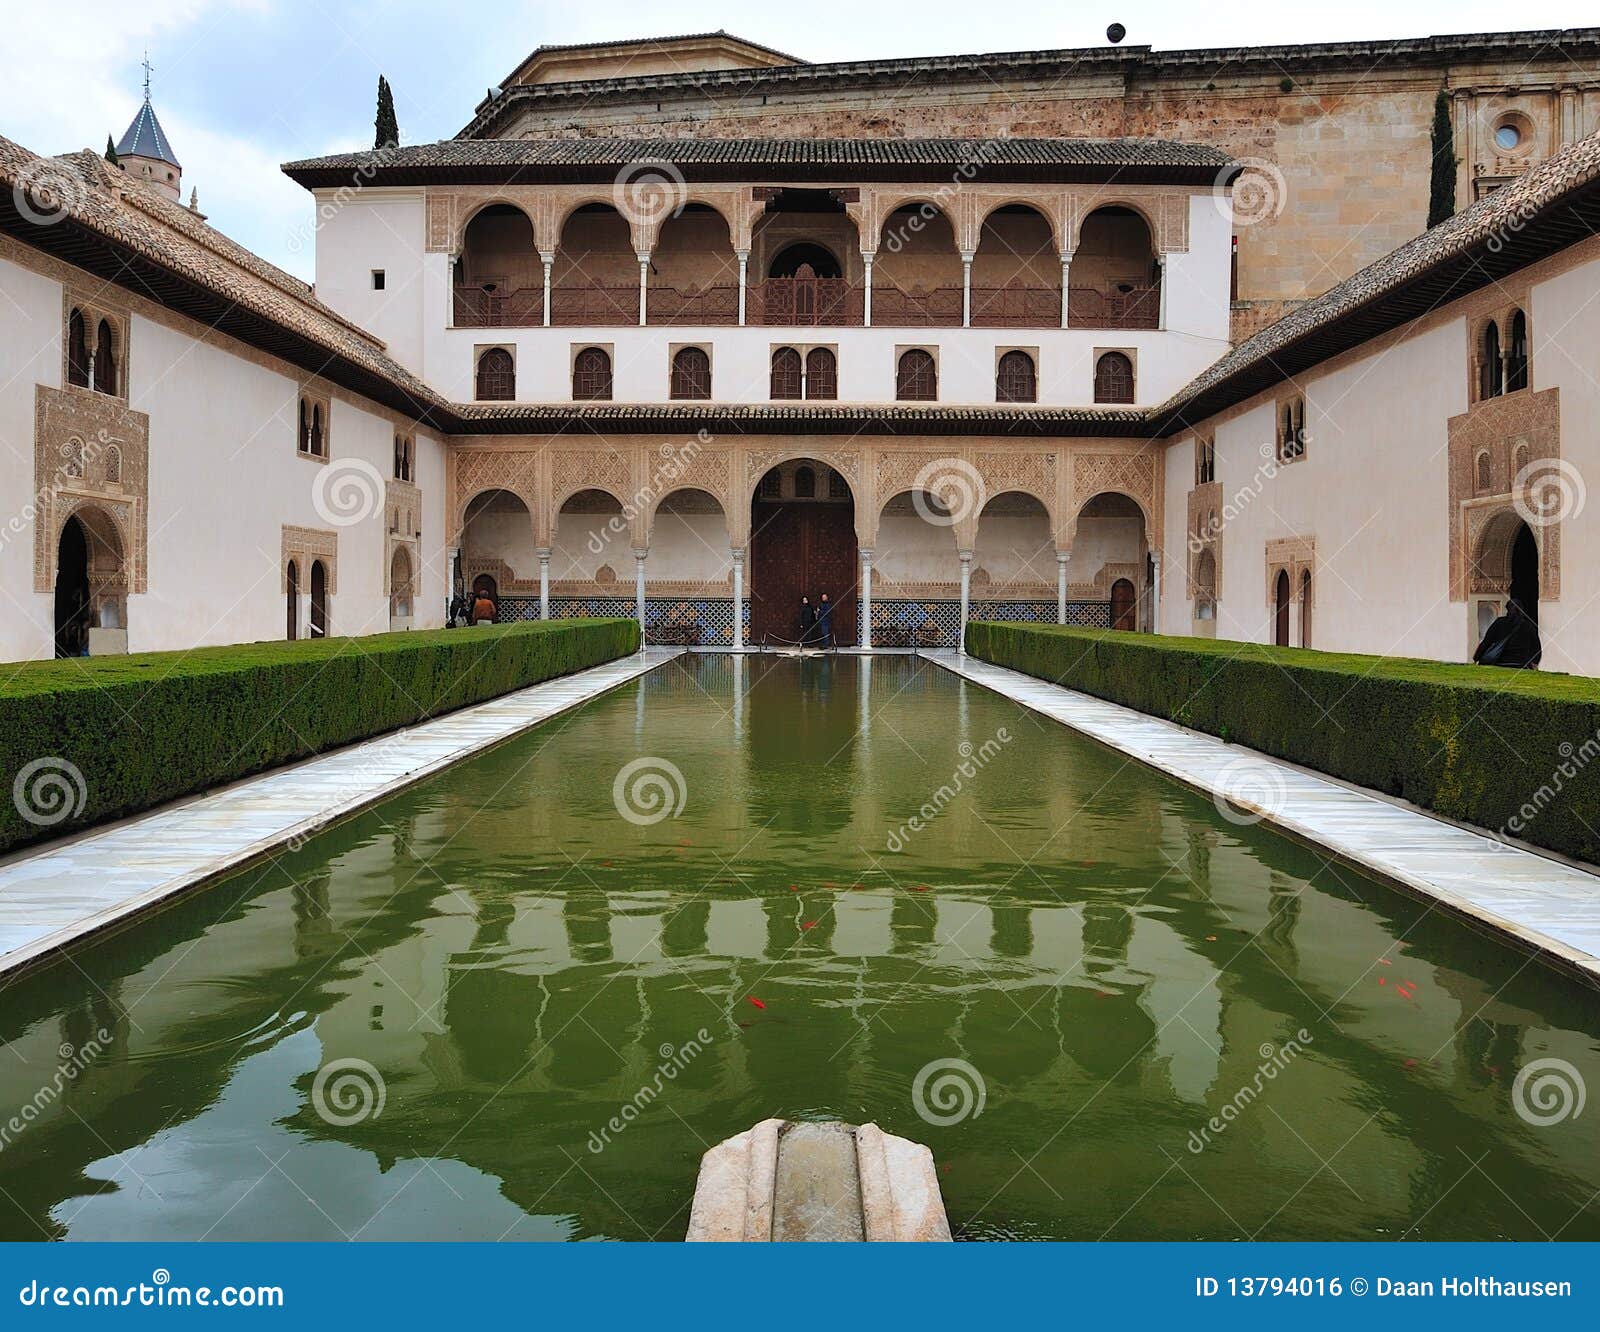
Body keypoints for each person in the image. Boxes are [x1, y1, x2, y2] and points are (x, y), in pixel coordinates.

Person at [1473, 596, 1541, 668]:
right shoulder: (1528, 626)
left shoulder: (1500, 623)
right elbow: (1536, 647)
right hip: (1521, 663)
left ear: (1508, 609)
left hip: (1500, 661)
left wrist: (1476, 657)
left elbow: (1486, 642)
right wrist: (1534, 662)